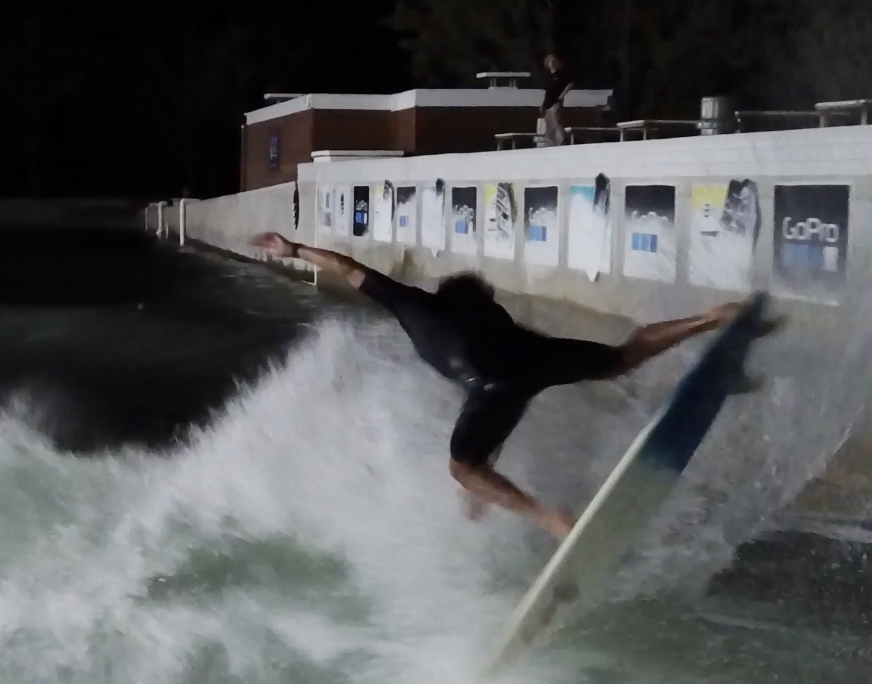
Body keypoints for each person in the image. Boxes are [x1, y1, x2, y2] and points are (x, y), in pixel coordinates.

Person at [251, 231, 745, 540]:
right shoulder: (495, 317)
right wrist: (484, 473)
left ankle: (550, 519)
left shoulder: (414, 303)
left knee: (461, 465)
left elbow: (348, 268)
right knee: (623, 356)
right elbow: (509, 389)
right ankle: (710, 318)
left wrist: (293, 250)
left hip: (492, 383)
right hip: (529, 364)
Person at [539, 53, 573, 147]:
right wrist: (543, 105)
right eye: (550, 62)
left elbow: (570, 84)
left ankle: (563, 140)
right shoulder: (549, 77)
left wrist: (562, 96)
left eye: (554, 61)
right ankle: (552, 144)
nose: (552, 63)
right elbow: (547, 93)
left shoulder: (561, 74)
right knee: (549, 125)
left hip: (555, 102)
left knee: (557, 122)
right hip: (548, 104)